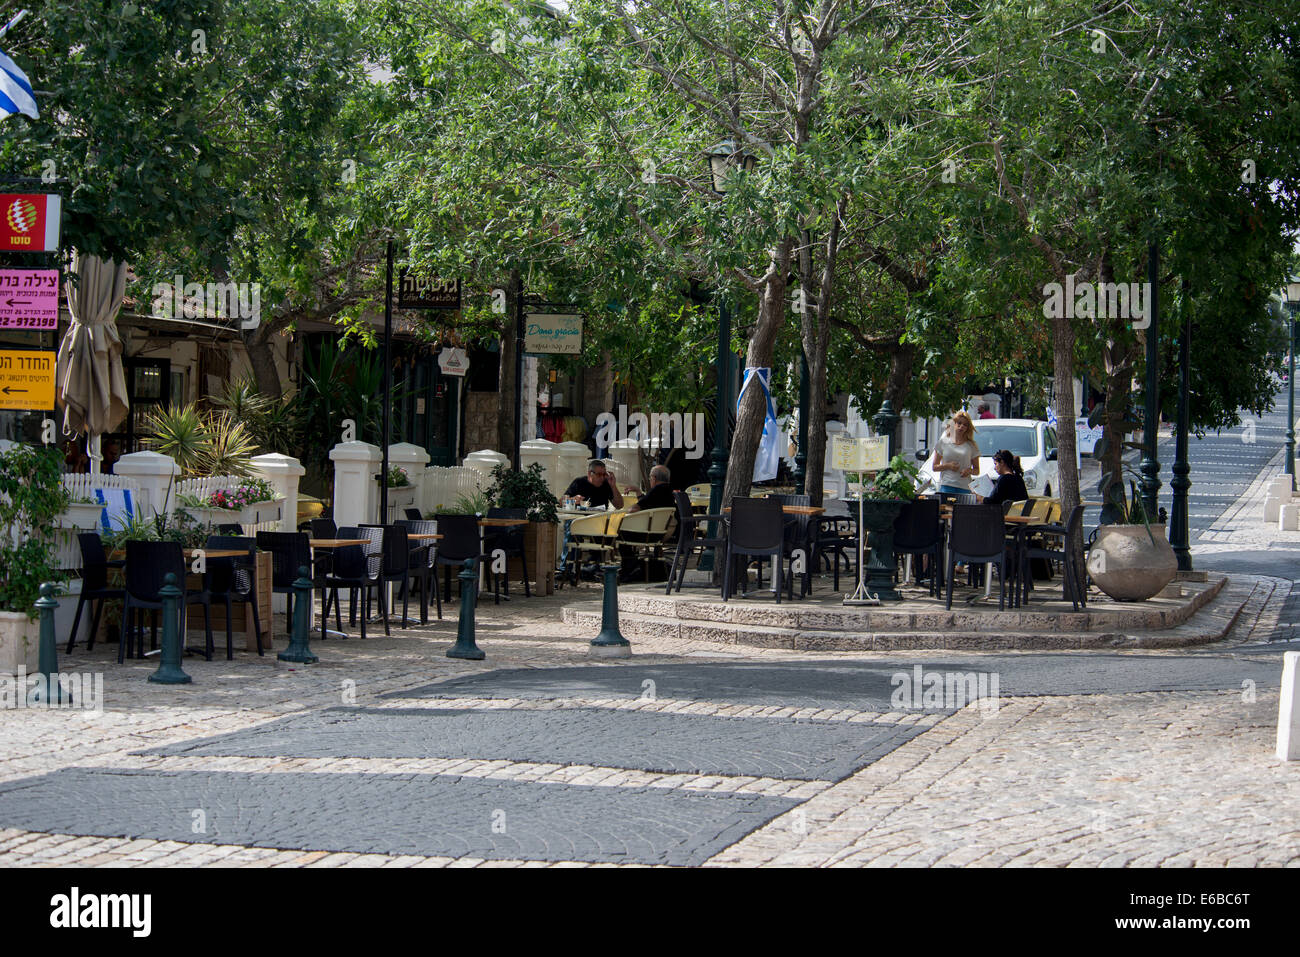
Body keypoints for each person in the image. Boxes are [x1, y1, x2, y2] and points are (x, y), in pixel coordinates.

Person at [619, 465, 674, 580]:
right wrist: (638, 492)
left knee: (617, 532)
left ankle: (629, 567)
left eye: (650, 478)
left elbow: (635, 509)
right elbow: (647, 504)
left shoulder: (656, 491)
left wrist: (625, 512)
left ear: (653, 478)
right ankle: (631, 566)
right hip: (659, 533)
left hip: (647, 534)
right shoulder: (668, 491)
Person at [932, 411, 980, 495]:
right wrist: (948, 466)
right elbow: (934, 467)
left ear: (967, 428)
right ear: (954, 424)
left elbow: (977, 470)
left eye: (965, 425)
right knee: (946, 507)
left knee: (962, 508)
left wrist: (969, 471)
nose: (961, 426)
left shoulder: (971, 445)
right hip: (947, 485)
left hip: (964, 487)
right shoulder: (943, 442)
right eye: (959, 423)